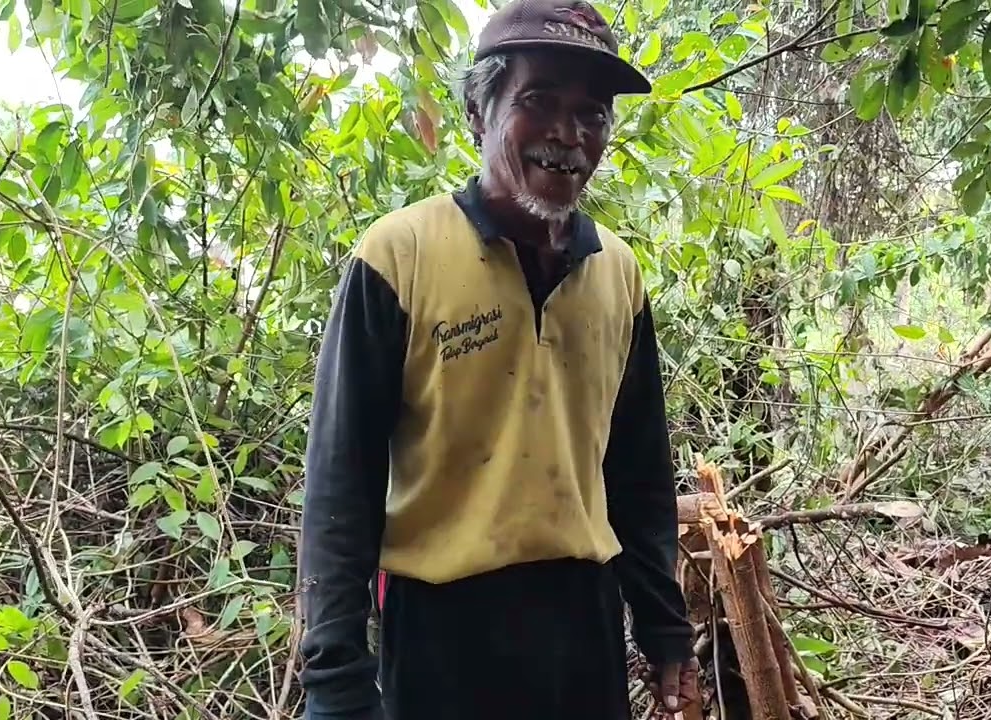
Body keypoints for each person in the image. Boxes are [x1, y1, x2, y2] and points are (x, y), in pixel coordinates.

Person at [294, 0, 699, 717]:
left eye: (593, 112)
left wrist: (665, 628)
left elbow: (638, 472)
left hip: (583, 623)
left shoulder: (618, 274)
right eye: (539, 100)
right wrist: (335, 677)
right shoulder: (399, 256)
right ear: (480, 114)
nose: (568, 135)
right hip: (440, 627)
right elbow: (341, 482)